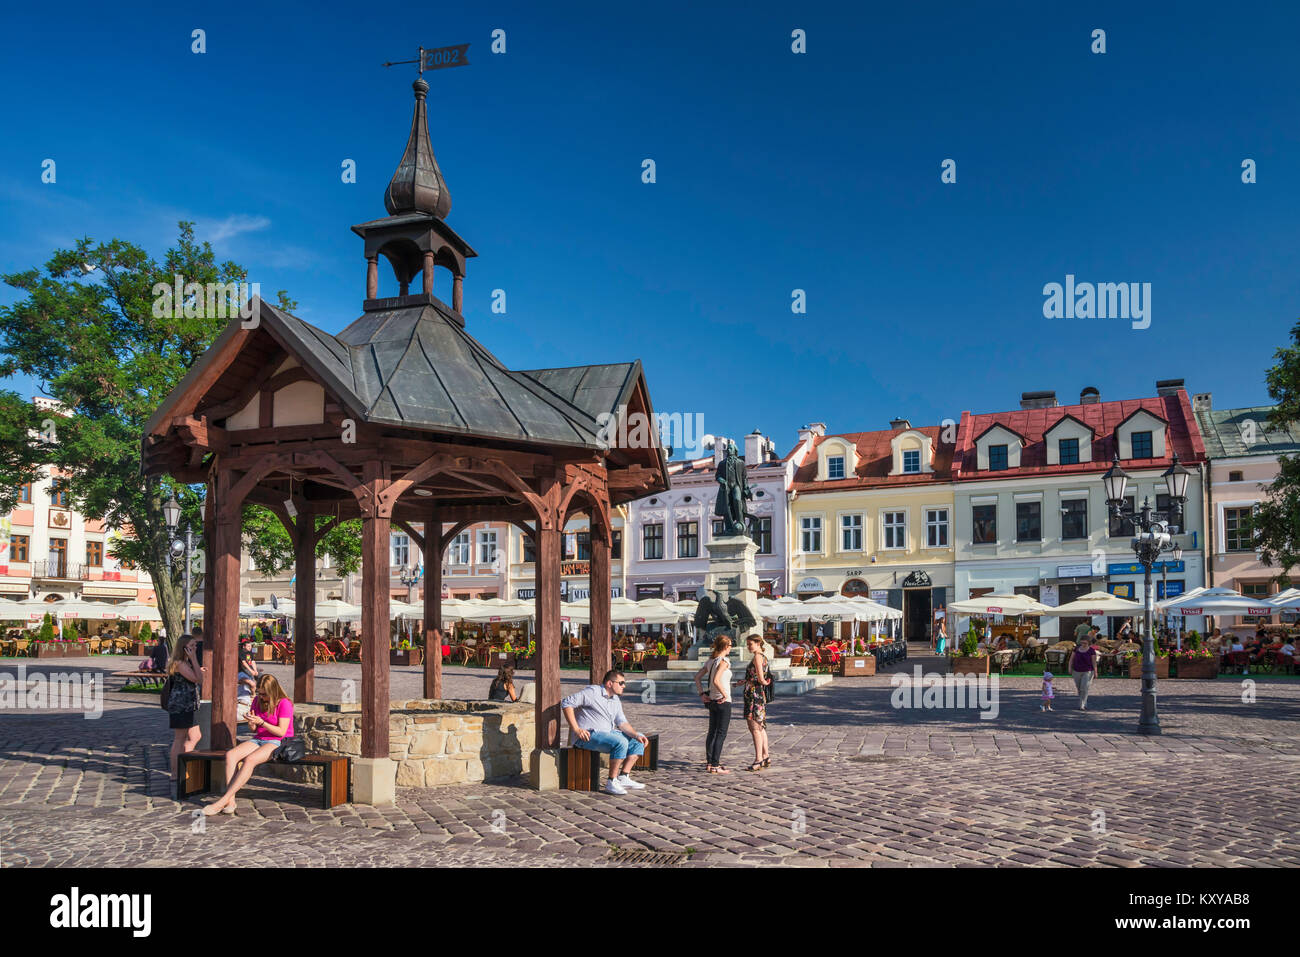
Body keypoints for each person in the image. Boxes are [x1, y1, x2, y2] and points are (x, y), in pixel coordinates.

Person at [203, 674, 295, 815]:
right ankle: (231, 800)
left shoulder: (284, 703)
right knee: (231, 755)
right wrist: (252, 723)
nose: (261, 696)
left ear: (273, 691)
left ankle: (222, 801)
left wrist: (262, 722)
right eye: (259, 692)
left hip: (278, 741)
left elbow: (281, 731)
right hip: (259, 738)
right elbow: (254, 730)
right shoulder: (257, 701)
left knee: (250, 760)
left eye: (264, 694)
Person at [561, 669, 649, 795]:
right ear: (609, 683)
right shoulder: (592, 692)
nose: (624, 686)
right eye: (621, 683)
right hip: (587, 736)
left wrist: (635, 735)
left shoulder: (615, 699)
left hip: (607, 734)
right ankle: (611, 782)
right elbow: (566, 703)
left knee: (638, 739)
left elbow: (622, 723)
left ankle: (624, 776)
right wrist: (576, 729)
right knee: (621, 742)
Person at [165, 634, 205, 777]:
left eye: (195, 645)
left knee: (195, 736)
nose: (195, 648)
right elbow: (197, 679)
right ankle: (176, 773)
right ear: (184, 647)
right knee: (179, 738)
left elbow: (197, 677)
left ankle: (184, 764)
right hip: (180, 705)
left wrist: (196, 667)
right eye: (192, 646)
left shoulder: (185, 662)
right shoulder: (180, 663)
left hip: (188, 705)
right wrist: (194, 660)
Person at [694, 634, 734, 774]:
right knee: (721, 733)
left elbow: (697, 678)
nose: (731, 647)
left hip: (712, 700)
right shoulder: (724, 661)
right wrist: (725, 694)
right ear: (725, 647)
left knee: (712, 732)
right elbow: (717, 680)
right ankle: (716, 765)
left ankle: (710, 762)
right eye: (730, 645)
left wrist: (701, 694)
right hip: (723, 701)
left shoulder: (710, 661)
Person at [1071, 636, 1099, 711]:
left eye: (1085, 643)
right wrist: (1069, 668)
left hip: (1088, 671)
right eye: (1082, 642)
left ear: (1088, 643)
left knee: (1084, 687)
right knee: (1079, 688)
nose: (1083, 644)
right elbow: (1071, 659)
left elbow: (1094, 662)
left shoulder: (1091, 651)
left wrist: (1095, 672)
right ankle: (1083, 701)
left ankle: (1082, 704)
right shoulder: (1076, 649)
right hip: (1076, 670)